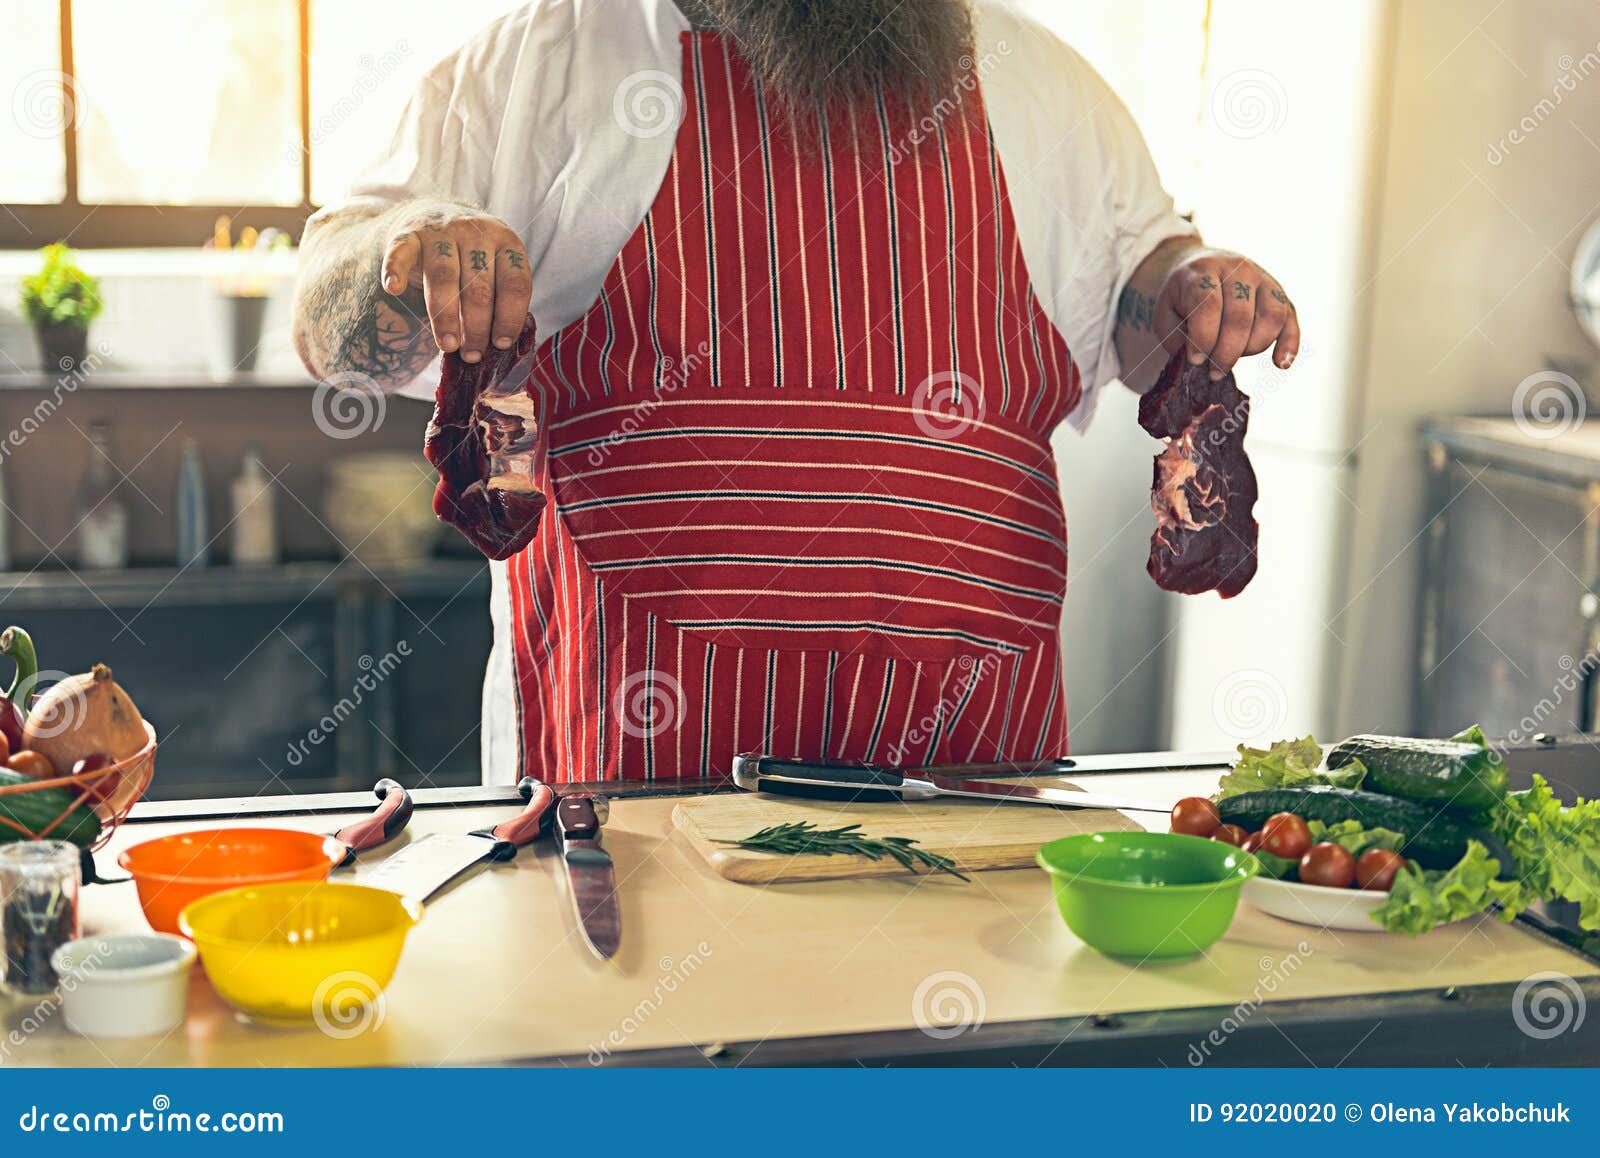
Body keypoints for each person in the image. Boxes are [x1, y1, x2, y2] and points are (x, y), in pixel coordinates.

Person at [292, 0, 1299, 784]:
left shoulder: (1042, 82)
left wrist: (1193, 286)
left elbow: (1142, 290)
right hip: (630, 782)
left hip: (969, 787)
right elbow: (328, 322)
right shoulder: (536, 64)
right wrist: (403, 253)